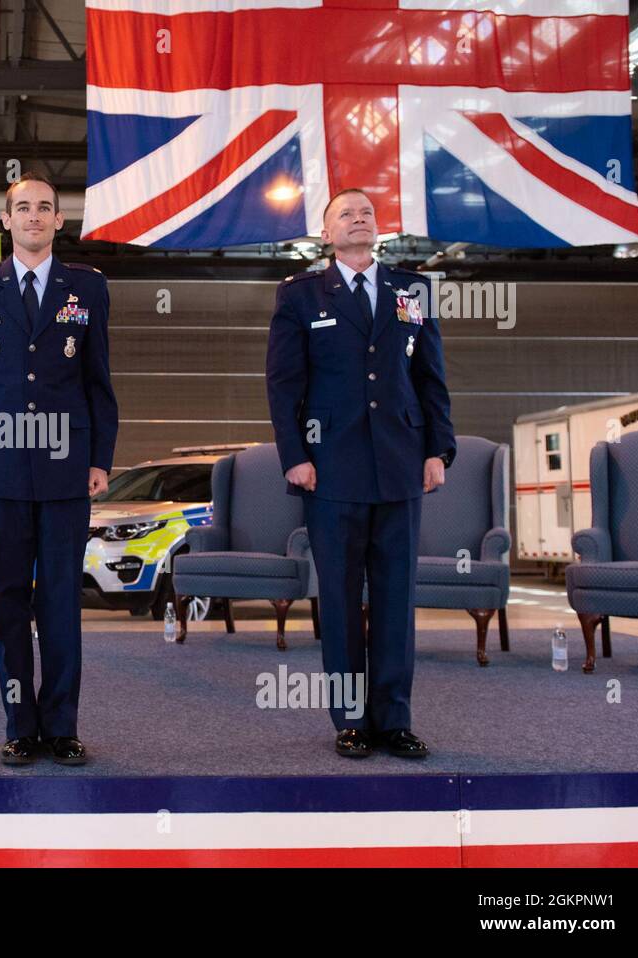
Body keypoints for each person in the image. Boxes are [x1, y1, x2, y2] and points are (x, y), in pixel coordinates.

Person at [265, 188, 454, 759]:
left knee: (396, 600)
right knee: (342, 601)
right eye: (345, 213)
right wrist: (295, 456)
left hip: (400, 468)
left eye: (367, 212)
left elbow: (430, 377)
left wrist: (437, 451)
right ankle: (350, 719)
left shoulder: (412, 291)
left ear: (380, 228)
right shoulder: (299, 296)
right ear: (326, 235)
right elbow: (283, 385)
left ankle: (393, 720)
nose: (358, 218)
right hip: (330, 472)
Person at [0, 172, 119, 766]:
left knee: (63, 602)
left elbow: (98, 382)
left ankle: (62, 727)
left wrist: (100, 458)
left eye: (45, 208)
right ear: (7, 220)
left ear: (59, 220)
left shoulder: (87, 287)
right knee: (10, 602)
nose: (35, 217)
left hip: (68, 469)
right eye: (24, 208)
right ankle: (21, 725)